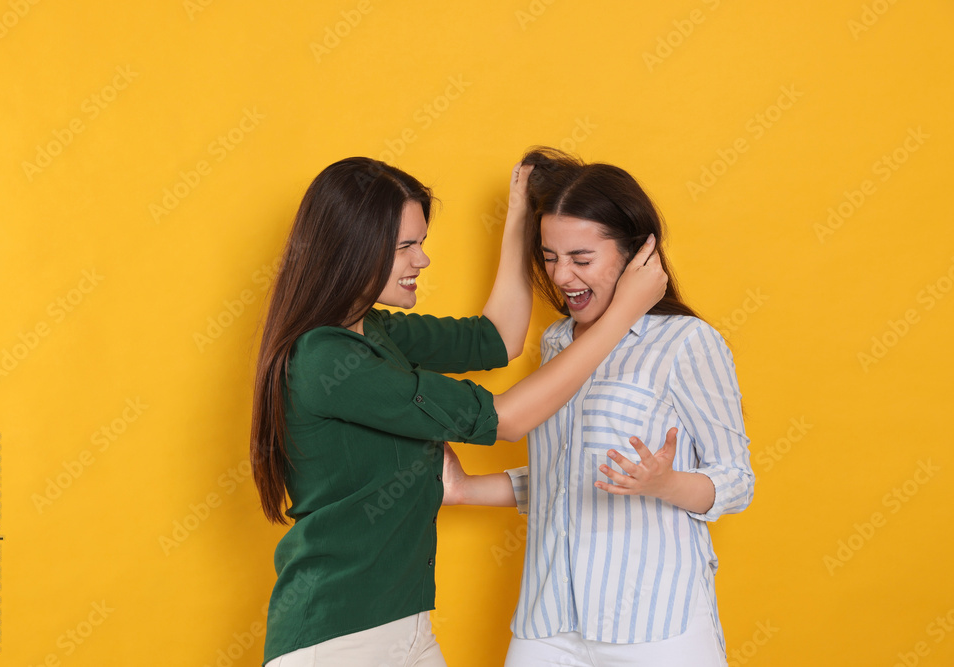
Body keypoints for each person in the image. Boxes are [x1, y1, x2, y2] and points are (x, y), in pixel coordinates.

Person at [250, 156, 669, 666]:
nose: (421, 260)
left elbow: (497, 338)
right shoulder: (327, 359)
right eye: (406, 246)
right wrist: (625, 312)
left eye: (419, 243)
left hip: (405, 628)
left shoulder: (373, 330)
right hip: (337, 639)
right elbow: (506, 419)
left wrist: (519, 218)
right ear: (352, 248)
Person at [442, 147, 754, 667]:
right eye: (549, 257)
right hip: (549, 617)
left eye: (581, 259)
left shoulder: (686, 342)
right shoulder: (558, 341)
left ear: (636, 254)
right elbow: (565, 474)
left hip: (657, 623)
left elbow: (736, 481)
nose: (563, 277)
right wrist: (465, 490)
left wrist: (663, 483)